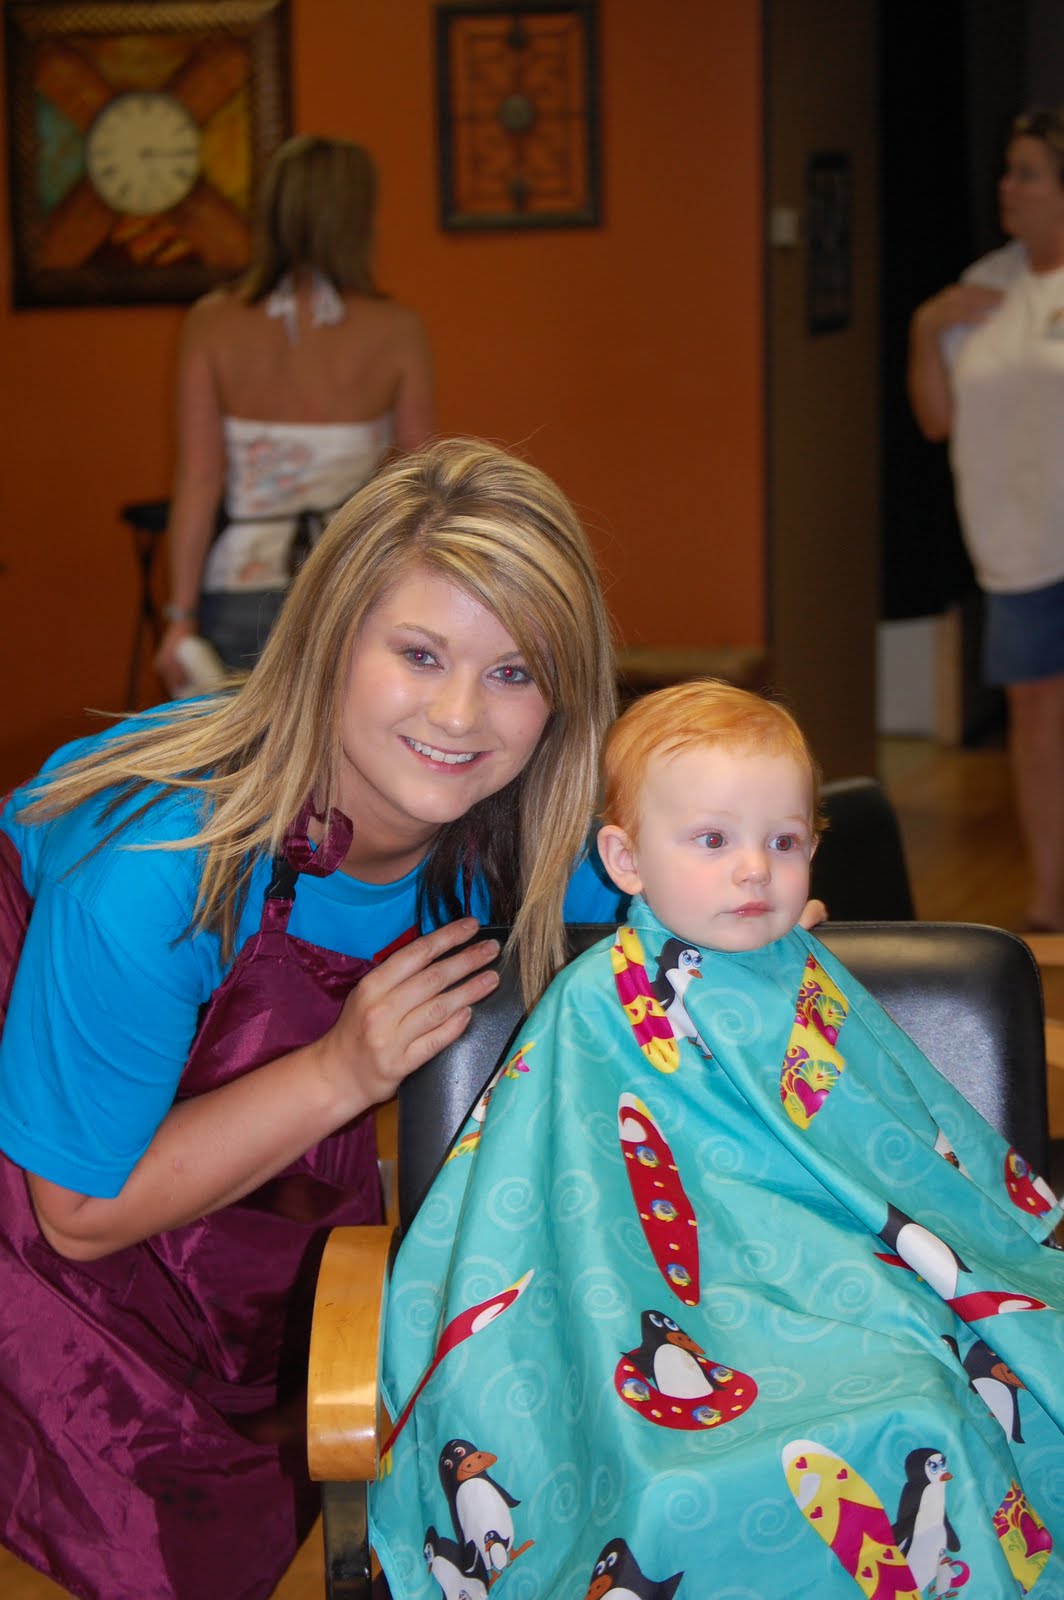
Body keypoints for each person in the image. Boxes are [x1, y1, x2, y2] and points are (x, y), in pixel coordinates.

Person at [0, 438, 626, 1600]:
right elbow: (78, 1215)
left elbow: (699, 901)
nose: (460, 714)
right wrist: (343, 1070)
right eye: (421, 653)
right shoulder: (154, 874)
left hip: (223, 1167)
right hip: (52, 1161)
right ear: (330, 640)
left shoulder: (527, 836)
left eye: (515, 672)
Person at [370, 679, 1064, 1600]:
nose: (754, 871)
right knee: (662, 1481)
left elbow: (901, 1152)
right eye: (713, 841)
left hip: (843, 1289)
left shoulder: (811, 985)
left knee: (925, 1402)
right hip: (641, 1310)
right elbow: (550, 1193)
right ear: (625, 858)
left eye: (783, 843)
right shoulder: (591, 1007)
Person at [155, 134, 435, 693]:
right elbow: (424, 486)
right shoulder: (398, 331)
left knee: (240, 773)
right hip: (350, 586)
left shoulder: (211, 324)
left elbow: (198, 479)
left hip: (240, 583)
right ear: (358, 219)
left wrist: (177, 619)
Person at [908, 108, 1064, 933]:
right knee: (1037, 720)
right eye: (1008, 170)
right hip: (1017, 544)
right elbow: (936, 419)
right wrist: (927, 326)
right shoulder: (985, 286)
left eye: (1029, 172)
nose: (1008, 186)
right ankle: (1050, 896)